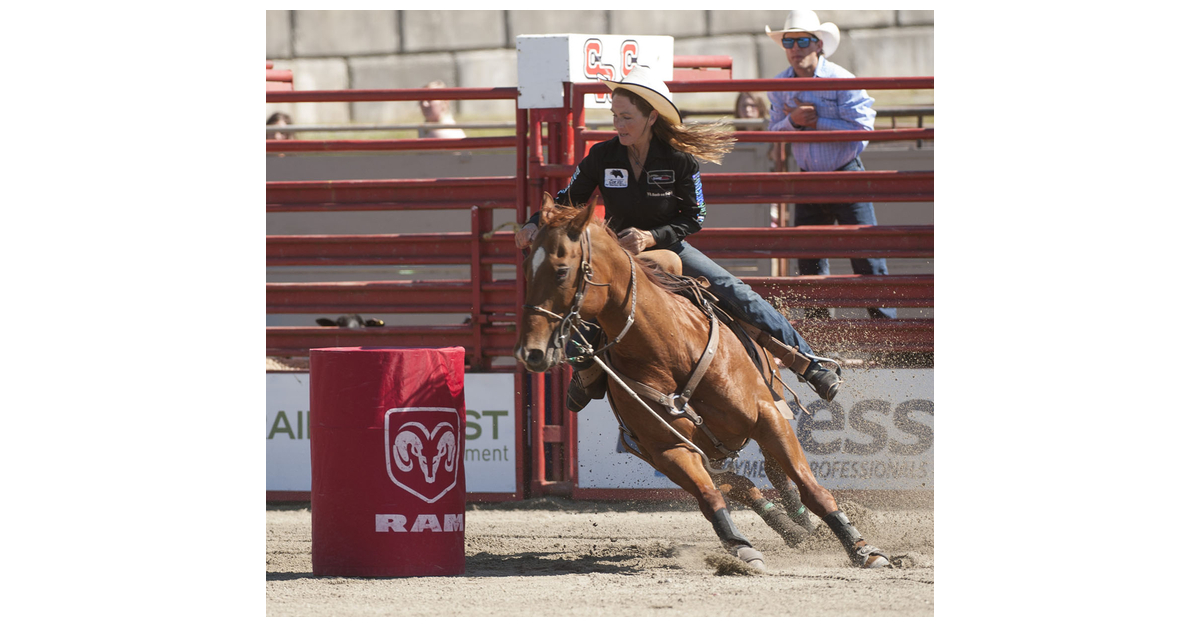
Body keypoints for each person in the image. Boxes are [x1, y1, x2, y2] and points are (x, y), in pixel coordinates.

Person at [514, 65, 843, 411]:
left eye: (626, 117)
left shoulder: (679, 159)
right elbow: (569, 196)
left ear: (651, 116)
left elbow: (694, 217)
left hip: (669, 247)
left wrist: (650, 237)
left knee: (734, 291)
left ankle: (810, 365)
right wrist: (536, 222)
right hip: (616, 256)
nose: (618, 125)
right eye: (614, 116)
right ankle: (585, 372)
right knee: (573, 296)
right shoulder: (602, 156)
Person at [765, 10, 897, 320]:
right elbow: (773, 130)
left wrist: (813, 122)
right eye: (789, 41)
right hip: (809, 177)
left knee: (866, 257)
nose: (795, 48)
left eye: (802, 40)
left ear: (818, 44)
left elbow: (863, 128)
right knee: (810, 258)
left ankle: (886, 330)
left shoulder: (841, 79)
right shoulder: (779, 84)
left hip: (844, 173)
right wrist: (794, 122)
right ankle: (820, 333)